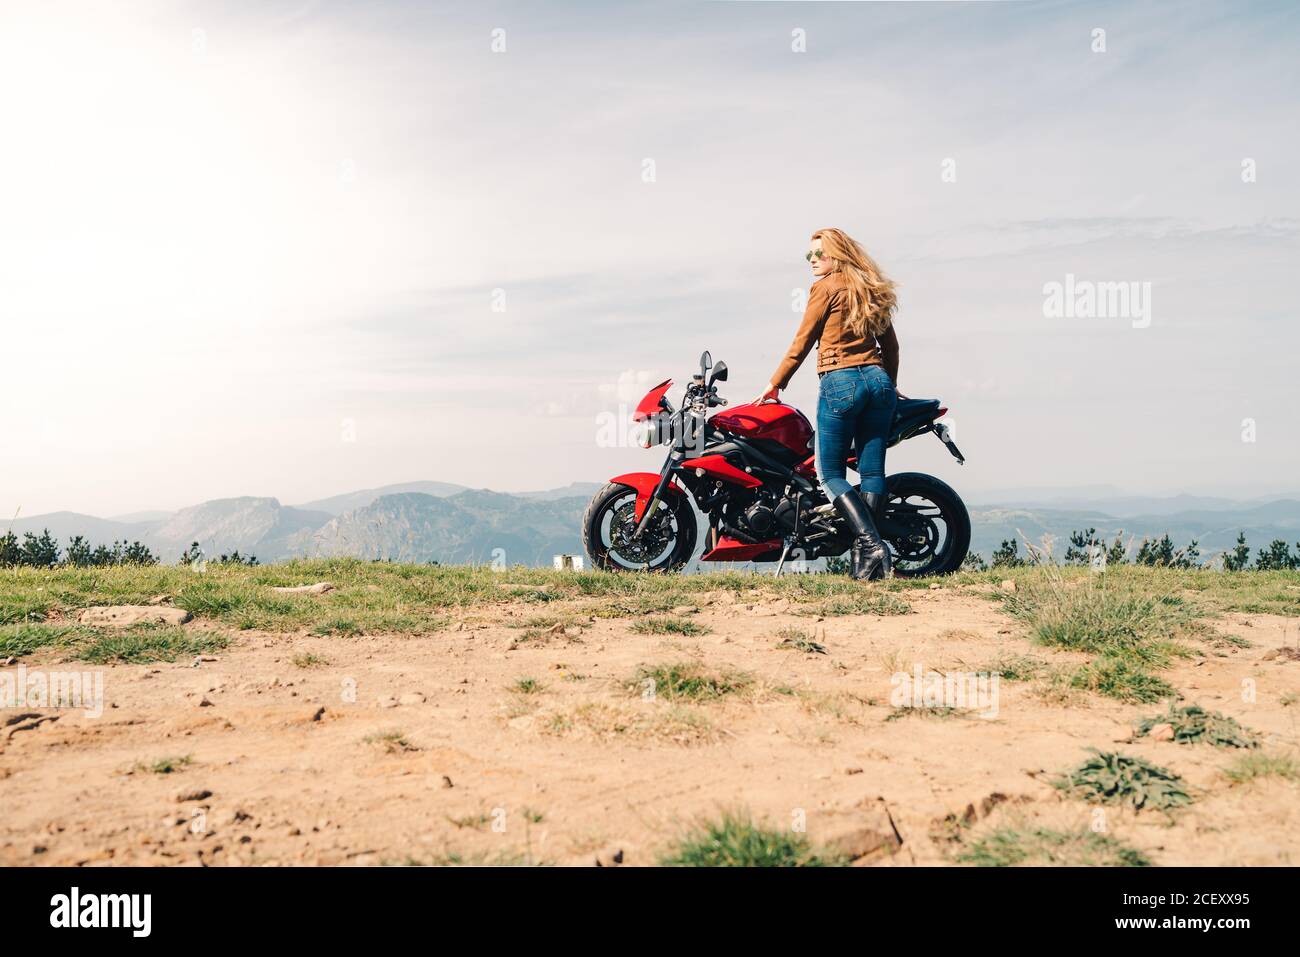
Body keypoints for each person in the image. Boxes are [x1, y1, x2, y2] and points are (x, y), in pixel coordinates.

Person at [752, 227, 900, 580]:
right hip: (879, 382)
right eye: (810, 255)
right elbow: (891, 347)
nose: (813, 261)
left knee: (829, 473)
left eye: (820, 254)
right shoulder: (868, 288)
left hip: (841, 381)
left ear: (837, 255)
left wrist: (775, 383)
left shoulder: (826, 287)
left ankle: (871, 543)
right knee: (872, 473)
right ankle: (866, 561)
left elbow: (803, 340)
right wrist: (889, 386)